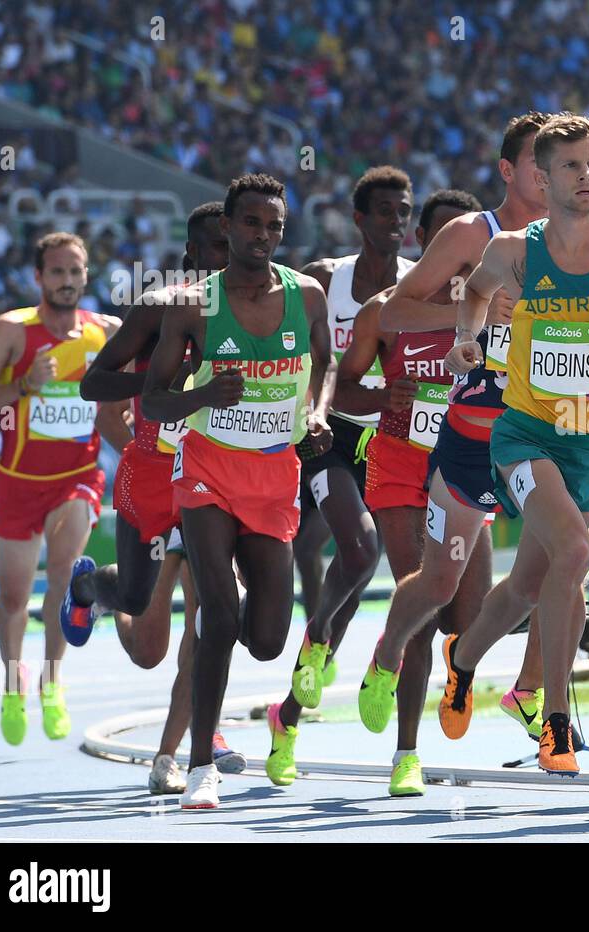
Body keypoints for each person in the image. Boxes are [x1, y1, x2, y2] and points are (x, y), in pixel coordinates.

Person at [390, 112, 589, 778]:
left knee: (529, 583)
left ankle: (462, 661)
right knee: (574, 550)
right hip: (522, 435)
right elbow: (477, 297)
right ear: (543, 180)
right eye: (572, 166)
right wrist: (468, 338)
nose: (587, 176)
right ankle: (554, 720)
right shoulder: (514, 251)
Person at [266, 188, 486, 797]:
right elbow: (338, 380)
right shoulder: (378, 303)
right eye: (445, 245)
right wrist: (381, 399)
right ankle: (403, 752)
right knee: (393, 581)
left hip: (461, 465)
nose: (459, 263)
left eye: (470, 253)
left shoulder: (492, 306)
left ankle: (318, 690)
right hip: (365, 448)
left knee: (460, 614)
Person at [141, 173, 333, 810]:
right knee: (218, 616)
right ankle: (202, 767)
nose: (264, 236)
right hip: (207, 466)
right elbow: (152, 398)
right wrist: (201, 396)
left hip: (276, 473)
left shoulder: (306, 296)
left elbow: (324, 365)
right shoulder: (191, 304)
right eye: (252, 223)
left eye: (275, 226)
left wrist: (316, 413)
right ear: (228, 227)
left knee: (270, 638)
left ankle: (241, 585)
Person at [363, 114, 551, 740]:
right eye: (540, 162)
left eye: (573, 163)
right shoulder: (475, 233)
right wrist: (467, 301)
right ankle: (390, 648)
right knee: (444, 586)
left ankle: (533, 699)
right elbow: (394, 310)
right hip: (470, 428)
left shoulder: (584, 240)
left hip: (545, 429)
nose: (557, 175)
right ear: (510, 171)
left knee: (561, 560)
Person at [64, 203, 245, 791]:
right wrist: (161, 390)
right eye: (219, 247)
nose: (233, 254)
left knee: (215, 612)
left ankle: (179, 753)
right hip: (151, 478)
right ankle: (93, 585)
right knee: (146, 642)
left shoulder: (259, 306)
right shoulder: (159, 310)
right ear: (193, 257)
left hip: (214, 477)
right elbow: (94, 385)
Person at [0, 232, 127, 745]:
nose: (66, 281)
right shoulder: (13, 331)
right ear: (38, 278)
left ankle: (52, 683)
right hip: (16, 484)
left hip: (77, 479)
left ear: (86, 275)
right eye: (56, 272)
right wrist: (25, 385)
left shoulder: (106, 332)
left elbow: (115, 409)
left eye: (75, 271)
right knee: (14, 597)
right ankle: (14, 684)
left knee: (62, 579)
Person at [282, 167, 419, 725]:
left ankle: (307, 675)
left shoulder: (418, 284)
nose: (395, 221)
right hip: (324, 435)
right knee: (358, 549)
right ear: (359, 219)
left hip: (386, 442)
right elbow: (282, 338)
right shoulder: (321, 280)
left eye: (403, 211)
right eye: (384, 211)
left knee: (358, 566)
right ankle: (315, 641)